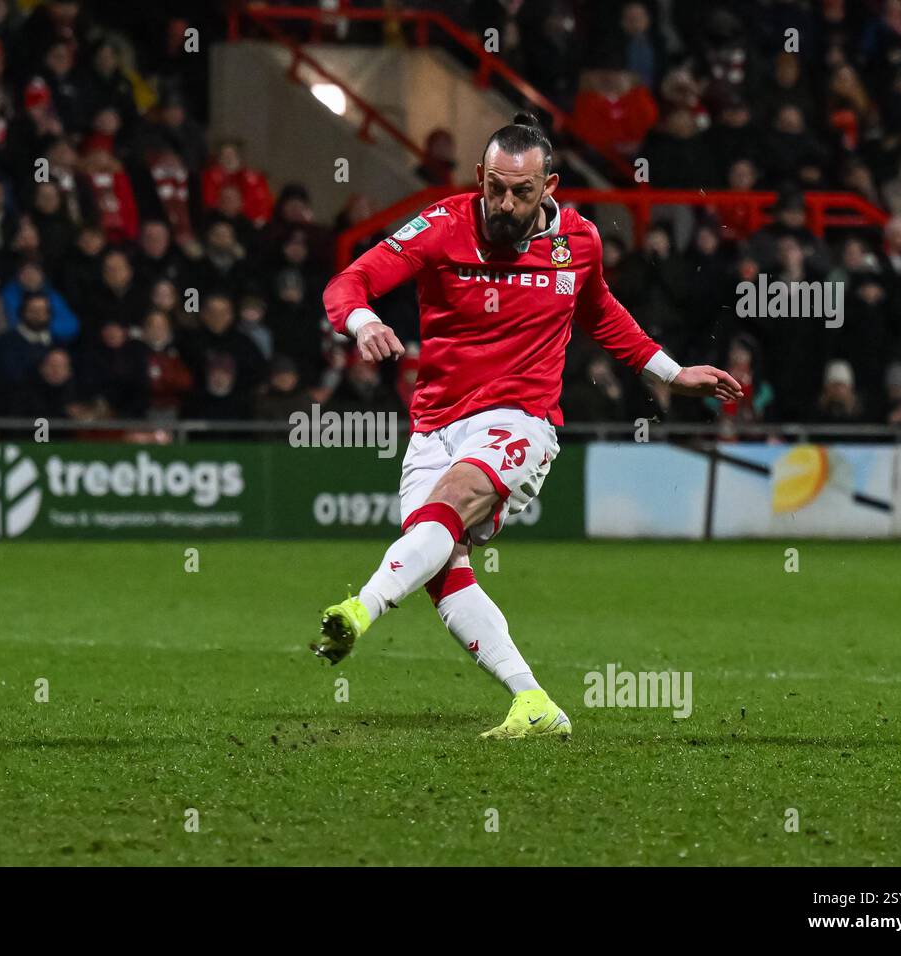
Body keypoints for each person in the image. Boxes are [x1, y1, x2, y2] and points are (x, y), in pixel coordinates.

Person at [314, 113, 741, 739]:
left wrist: (673, 373)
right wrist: (364, 324)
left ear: (550, 186)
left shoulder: (581, 243)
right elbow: (349, 282)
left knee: (455, 499)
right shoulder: (441, 226)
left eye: (521, 192)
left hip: (522, 417)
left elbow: (602, 314)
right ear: (480, 178)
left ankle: (360, 608)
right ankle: (534, 702)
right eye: (495, 189)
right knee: (442, 566)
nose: (505, 205)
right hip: (435, 424)